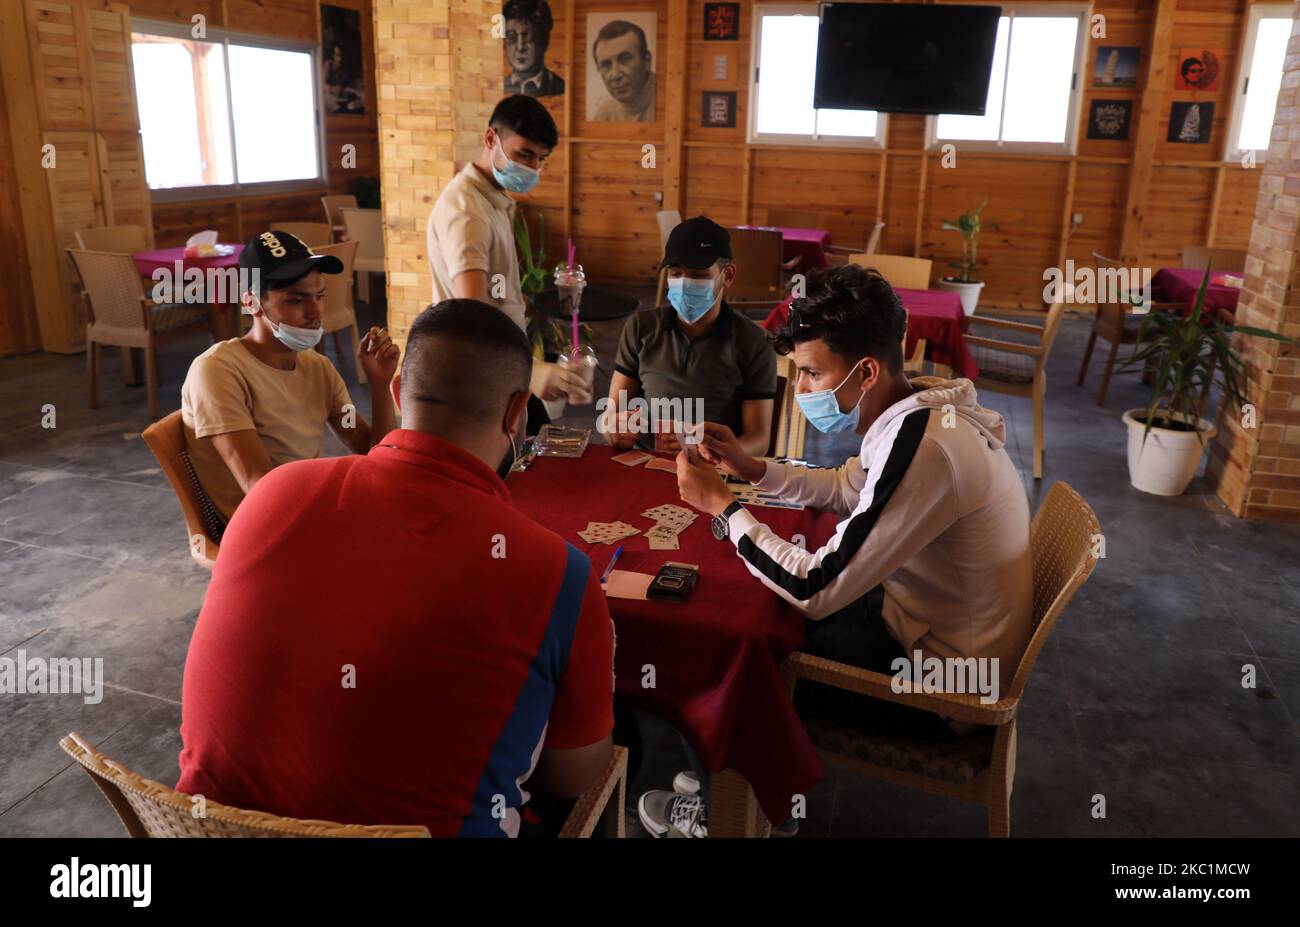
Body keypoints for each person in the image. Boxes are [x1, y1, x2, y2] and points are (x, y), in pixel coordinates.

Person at [177, 299, 615, 837]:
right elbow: (572, 776)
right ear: (516, 413)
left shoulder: (270, 495)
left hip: (207, 831)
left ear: (395, 389)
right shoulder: (557, 571)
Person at [646, 264, 1033, 836]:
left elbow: (815, 588)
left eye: (810, 374)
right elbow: (853, 486)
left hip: (942, 686)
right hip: (928, 627)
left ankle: (733, 813)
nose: (799, 390)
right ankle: (736, 781)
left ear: (867, 370)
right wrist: (756, 470)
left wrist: (725, 511)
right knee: (752, 610)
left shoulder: (927, 449)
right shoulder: (918, 410)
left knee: (738, 653)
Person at [180, 230, 398, 524]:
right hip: (260, 529)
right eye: (296, 301)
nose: (314, 312)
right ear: (252, 302)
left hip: (304, 511)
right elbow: (260, 489)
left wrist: (379, 384)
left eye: (319, 296)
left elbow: (373, 453)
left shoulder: (319, 369)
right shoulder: (218, 372)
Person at [426, 94, 589, 428]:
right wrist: (530, 371)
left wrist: (525, 303)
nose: (531, 168)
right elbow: (473, 315)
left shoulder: (492, 198)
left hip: (502, 363)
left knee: (536, 454)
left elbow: (493, 291)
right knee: (519, 465)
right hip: (479, 371)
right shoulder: (467, 210)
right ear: (490, 139)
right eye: (524, 154)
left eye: (540, 159)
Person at [604, 216, 775, 455]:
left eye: (698, 275)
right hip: (647, 461)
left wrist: (707, 449)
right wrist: (616, 430)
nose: (685, 284)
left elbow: (759, 441)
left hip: (713, 469)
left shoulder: (754, 342)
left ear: (727, 275)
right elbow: (613, 412)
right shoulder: (641, 328)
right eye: (675, 273)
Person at [592, 20, 655, 122]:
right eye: (606, 65)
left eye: (625, 59)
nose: (615, 75)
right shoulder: (604, 116)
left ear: (647, 61)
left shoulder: (670, 104)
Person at [503, 0, 565, 97]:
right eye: (511, 37)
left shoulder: (560, 87)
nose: (520, 47)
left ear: (545, 41)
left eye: (528, 36)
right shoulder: (500, 86)